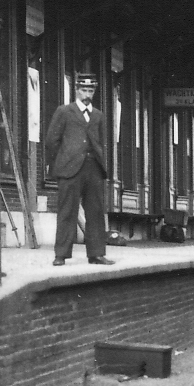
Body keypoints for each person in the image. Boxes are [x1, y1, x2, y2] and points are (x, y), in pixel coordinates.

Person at [44, 71, 112, 266]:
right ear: (76, 90)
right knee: (67, 211)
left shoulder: (98, 115)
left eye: (90, 90)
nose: (87, 94)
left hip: (93, 168)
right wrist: (64, 159)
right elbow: (51, 141)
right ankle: (61, 254)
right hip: (70, 168)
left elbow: (102, 141)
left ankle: (96, 253)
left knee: (96, 211)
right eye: (83, 89)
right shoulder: (64, 111)